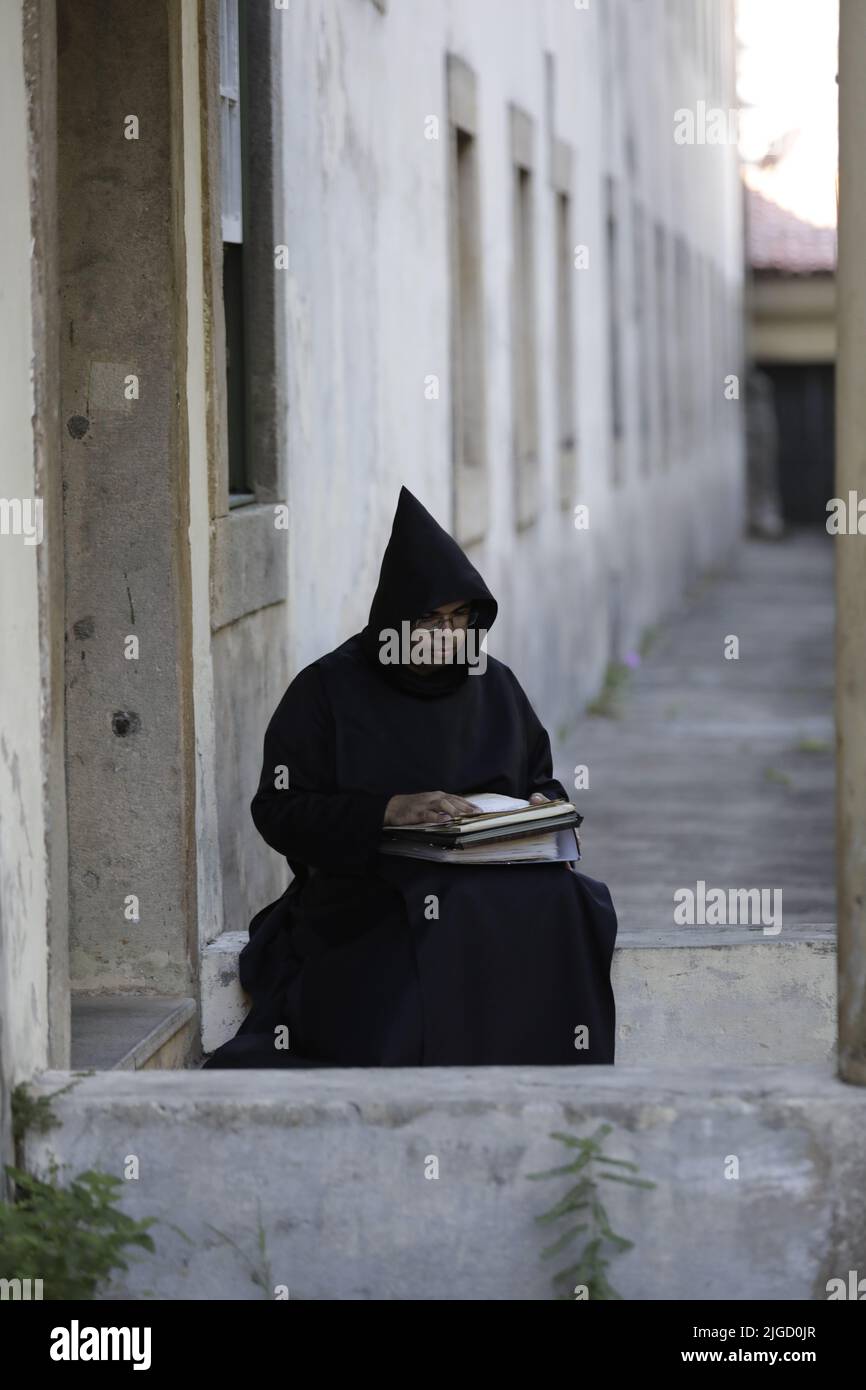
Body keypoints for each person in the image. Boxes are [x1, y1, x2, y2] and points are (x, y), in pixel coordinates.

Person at [202, 486, 617, 1068]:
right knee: (435, 917)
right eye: (430, 619)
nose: (447, 636)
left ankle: (547, 1077)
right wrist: (387, 811)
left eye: (459, 619)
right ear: (397, 616)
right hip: (368, 888)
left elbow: (542, 780)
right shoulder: (328, 690)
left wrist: (538, 813)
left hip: (495, 872)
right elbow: (278, 809)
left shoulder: (494, 685)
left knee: (570, 899)